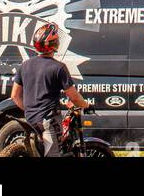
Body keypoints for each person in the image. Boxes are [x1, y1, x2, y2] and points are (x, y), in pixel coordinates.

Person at [10, 22, 90, 157]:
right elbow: (74, 97)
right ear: (54, 45)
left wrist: (31, 109)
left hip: (30, 121)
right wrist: (86, 105)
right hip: (49, 122)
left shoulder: (24, 66)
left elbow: (15, 96)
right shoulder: (58, 68)